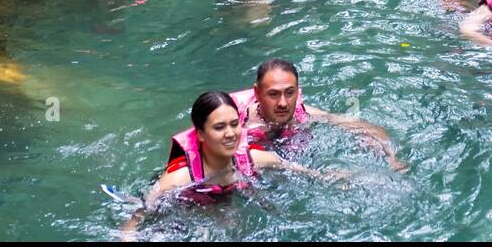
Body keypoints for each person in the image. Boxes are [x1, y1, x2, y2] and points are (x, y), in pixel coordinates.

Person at [137, 92, 335, 213]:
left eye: (234, 124)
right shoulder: (178, 178)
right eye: (219, 127)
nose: (230, 134)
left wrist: (327, 177)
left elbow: (294, 169)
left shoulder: (252, 158)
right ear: (201, 135)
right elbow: (141, 213)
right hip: (191, 207)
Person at [229, 59, 406, 169]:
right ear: (257, 92)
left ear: (297, 91)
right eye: (273, 94)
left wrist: (390, 155)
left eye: (289, 93)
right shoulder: (238, 121)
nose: (283, 103)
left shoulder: (302, 113)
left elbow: (358, 124)